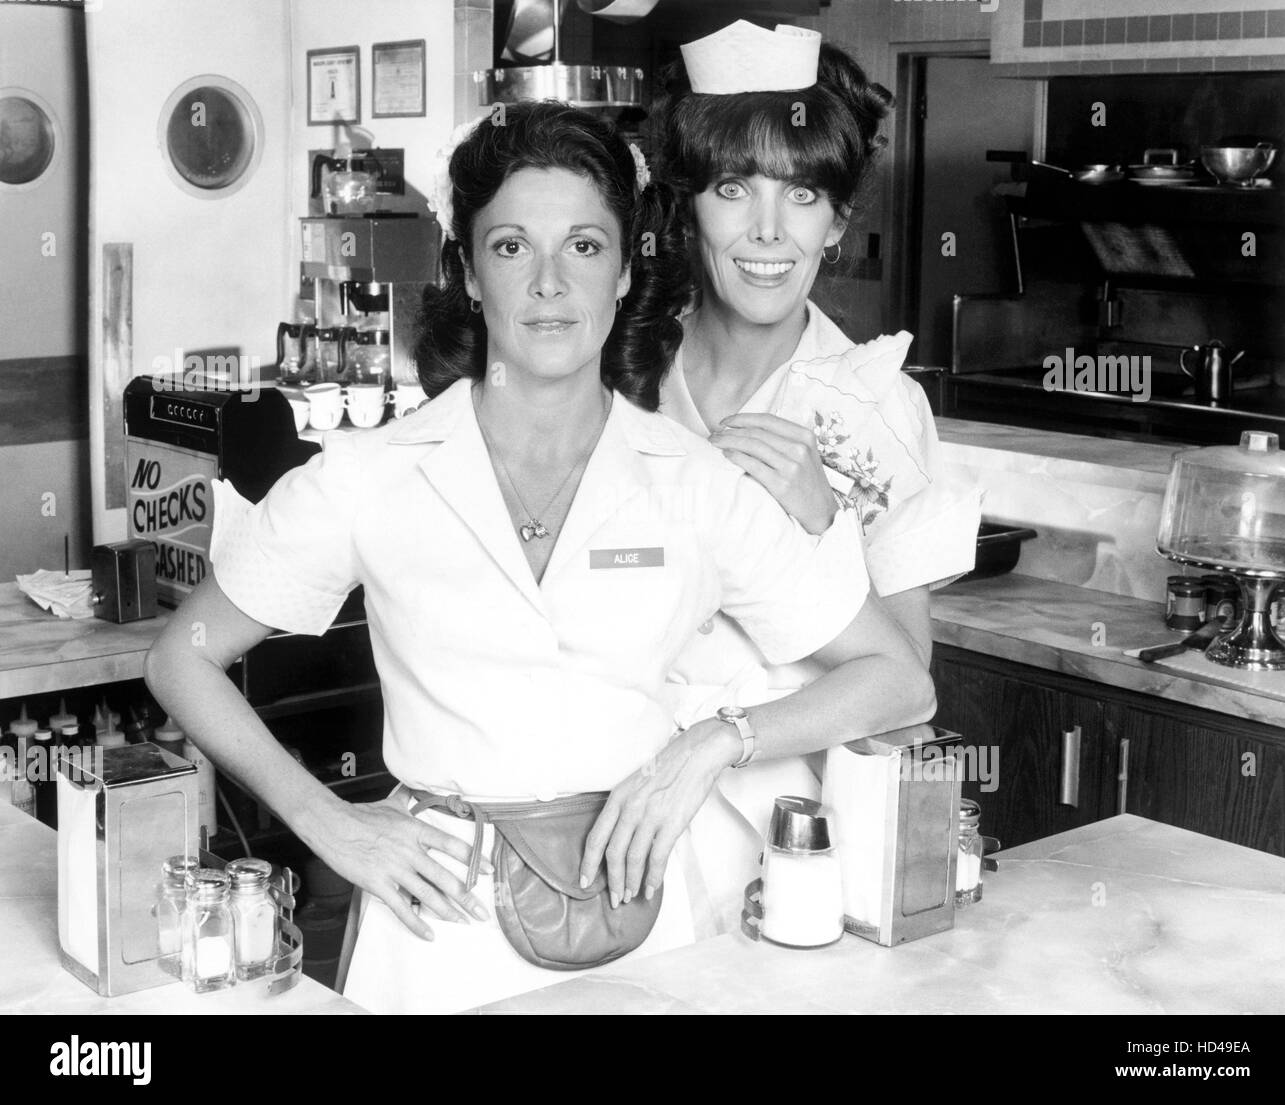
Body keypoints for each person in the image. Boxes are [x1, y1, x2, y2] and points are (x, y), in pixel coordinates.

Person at [144, 101, 936, 1014]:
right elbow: (181, 657)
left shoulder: (696, 482)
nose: (551, 282)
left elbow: (899, 680)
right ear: (469, 272)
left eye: (585, 247)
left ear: (626, 270)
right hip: (436, 935)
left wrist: (719, 741)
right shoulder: (370, 475)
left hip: (645, 924)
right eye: (513, 246)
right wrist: (327, 820)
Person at [648, 21, 983, 931]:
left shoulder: (875, 406)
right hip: (615, 796)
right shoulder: (626, 372)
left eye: (801, 195)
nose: (767, 231)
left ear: (835, 222)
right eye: (732, 189)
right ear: (690, 208)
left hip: (783, 828)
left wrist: (822, 518)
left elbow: (904, 681)